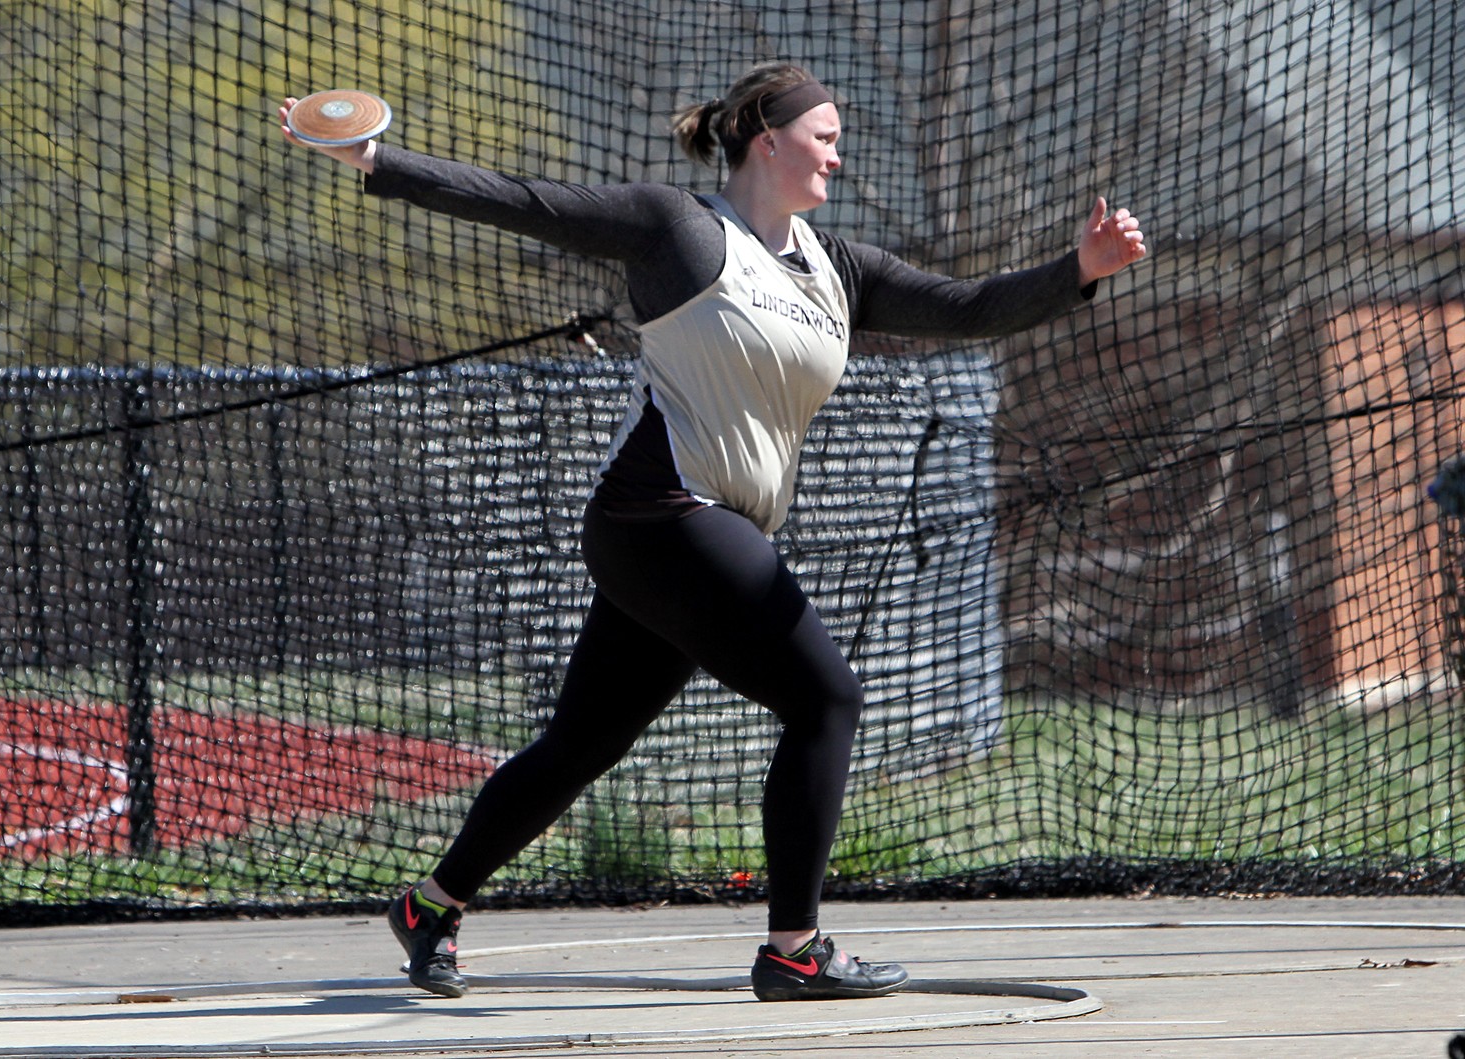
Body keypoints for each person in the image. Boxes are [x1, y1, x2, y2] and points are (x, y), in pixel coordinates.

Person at [278, 61, 1145, 1003]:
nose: (838, 156)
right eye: (825, 136)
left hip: (697, 527)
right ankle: (793, 950)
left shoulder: (835, 267)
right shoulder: (681, 231)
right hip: (661, 514)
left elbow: (966, 308)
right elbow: (528, 202)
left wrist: (1079, 272)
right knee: (827, 699)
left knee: (582, 743)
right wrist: (377, 160)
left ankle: (430, 904)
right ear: (766, 140)